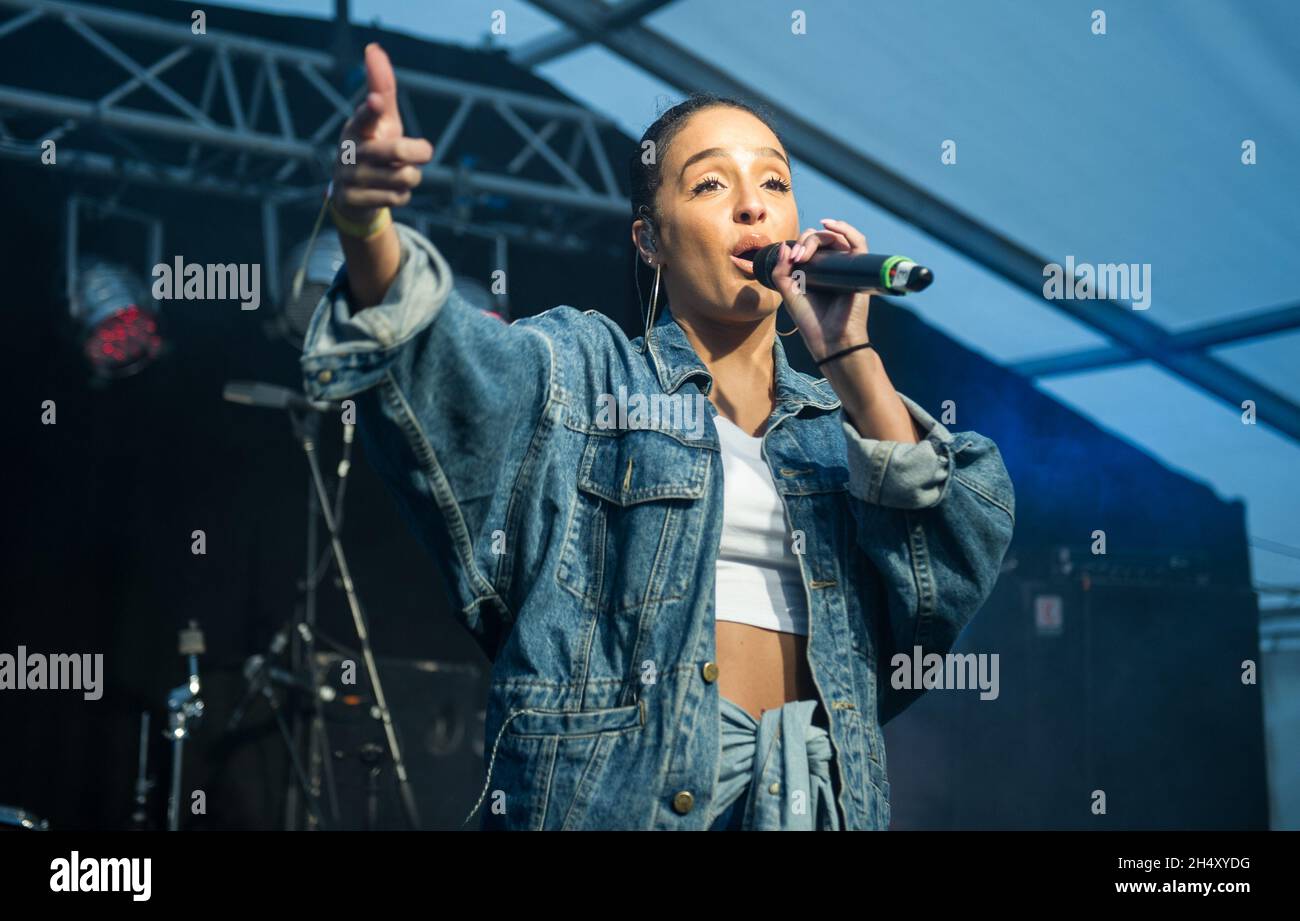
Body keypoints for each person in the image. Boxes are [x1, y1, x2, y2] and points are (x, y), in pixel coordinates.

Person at [302, 43, 1015, 830]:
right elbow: (450, 370)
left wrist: (849, 357)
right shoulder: (587, 374)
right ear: (649, 240)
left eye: (774, 183)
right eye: (712, 183)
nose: (754, 206)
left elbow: (946, 565)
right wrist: (366, 225)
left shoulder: (833, 429)